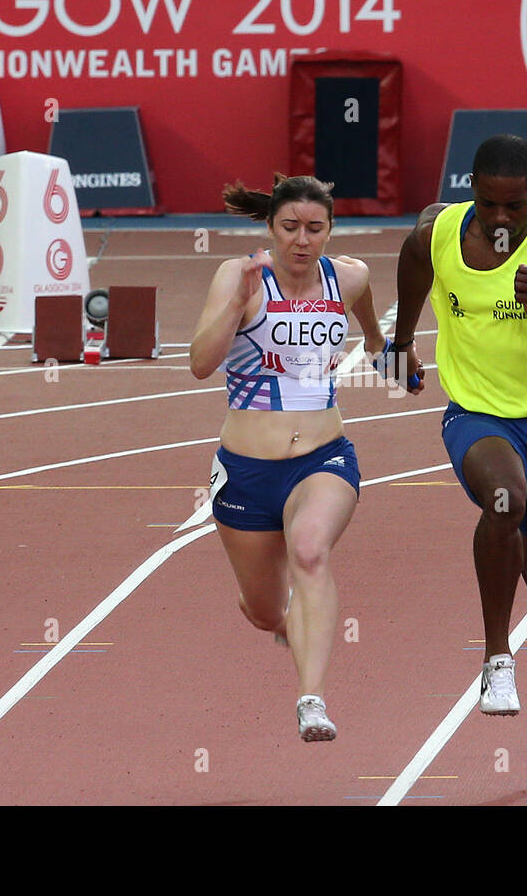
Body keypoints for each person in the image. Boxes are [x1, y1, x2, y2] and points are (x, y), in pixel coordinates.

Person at [387, 135, 527, 775]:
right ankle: (496, 658)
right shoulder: (439, 231)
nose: (500, 218)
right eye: (488, 204)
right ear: (472, 191)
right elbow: (413, 259)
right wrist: (401, 343)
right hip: (477, 416)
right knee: (504, 499)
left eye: (515, 206)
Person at [190, 173, 385, 742]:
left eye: (315, 229)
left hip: (323, 457)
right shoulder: (240, 276)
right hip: (247, 471)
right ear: (271, 227)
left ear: (331, 230)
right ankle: (285, 622)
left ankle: (311, 700)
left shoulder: (349, 276)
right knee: (263, 609)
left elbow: (371, 326)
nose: (302, 240)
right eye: (290, 227)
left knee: (309, 552)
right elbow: (200, 364)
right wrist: (237, 304)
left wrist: (386, 354)